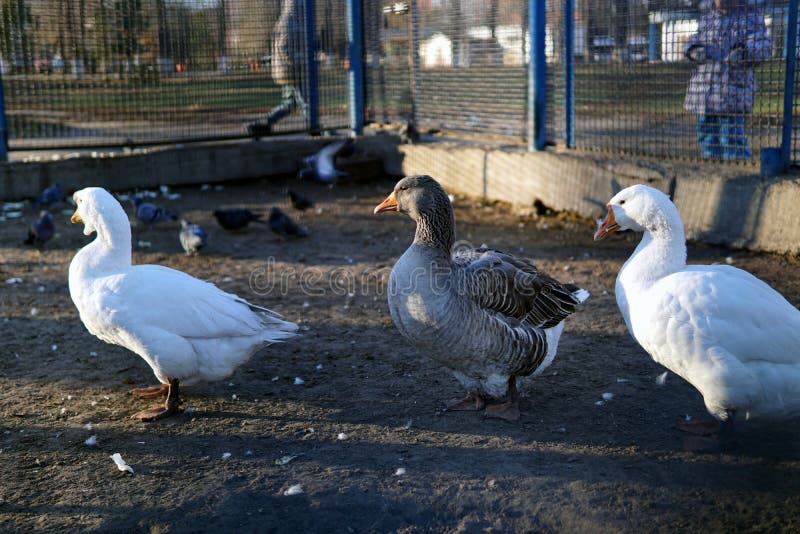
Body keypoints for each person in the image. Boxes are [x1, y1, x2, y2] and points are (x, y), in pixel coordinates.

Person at [683, 0, 771, 161]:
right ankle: (711, 173)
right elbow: (696, 38)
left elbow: (763, 45)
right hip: (704, 93)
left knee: (732, 139)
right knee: (707, 138)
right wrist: (692, 49)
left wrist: (745, 52)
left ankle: (736, 174)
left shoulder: (750, 16)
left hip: (732, 92)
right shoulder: (708, 16)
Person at [248, 0, 308, 136]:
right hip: (292, 70)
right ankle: (316, 128)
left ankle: (261, 125)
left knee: (289, 104)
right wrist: (303, 58)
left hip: (286, 70)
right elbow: (284, 49)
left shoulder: (287, 20)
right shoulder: (290, 23)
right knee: (306, 102)